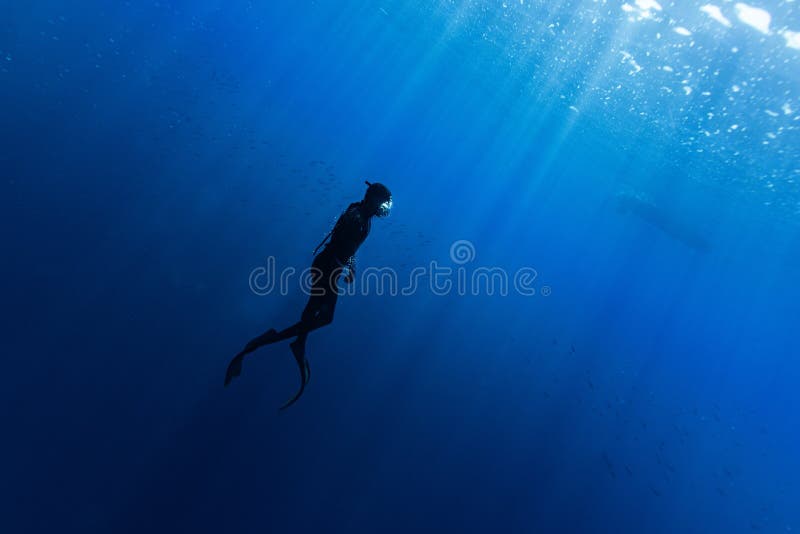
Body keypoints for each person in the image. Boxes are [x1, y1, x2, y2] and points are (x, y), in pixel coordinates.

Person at [225, 181, 393, 409]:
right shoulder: (357, 215)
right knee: (324, 317)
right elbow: (342, 241)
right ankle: (270, 340)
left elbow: (351, 248)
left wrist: (350, 266)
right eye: (382, 202)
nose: (384, 208)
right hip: (327, 268)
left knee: (313, 313)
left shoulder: (363, 216)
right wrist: (340, 266)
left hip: (329, 268)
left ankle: (295, 343)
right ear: (373, 200)